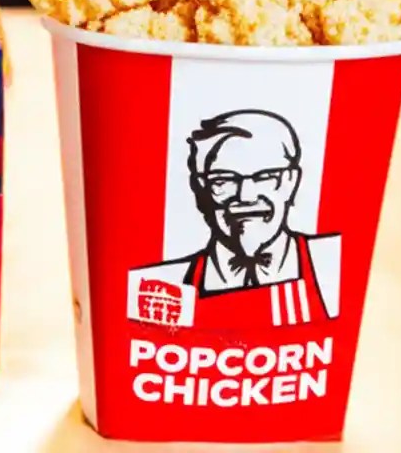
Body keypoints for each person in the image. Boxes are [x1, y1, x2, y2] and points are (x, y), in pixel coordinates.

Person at [132, 110, 339, 328]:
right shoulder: (158, 287)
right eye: (223, 180)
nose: (246, 196)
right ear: (200, 188)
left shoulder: (330, 264)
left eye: (266, 177)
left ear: (291, 181)